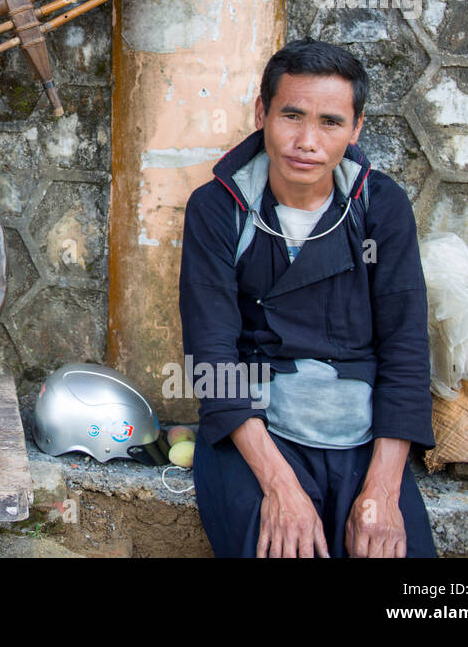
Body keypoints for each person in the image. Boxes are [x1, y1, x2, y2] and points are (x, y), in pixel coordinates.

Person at [179, 39, 435, 557]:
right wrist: (279, 486)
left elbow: (405, 348)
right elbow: (212, 355)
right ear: (262, 113)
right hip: (255, 429)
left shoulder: (379, 207)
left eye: (330, 122)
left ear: (356, 128)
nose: (307, 141)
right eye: (291, 116)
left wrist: (383, 491)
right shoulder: (218, 208)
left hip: (360, 434)